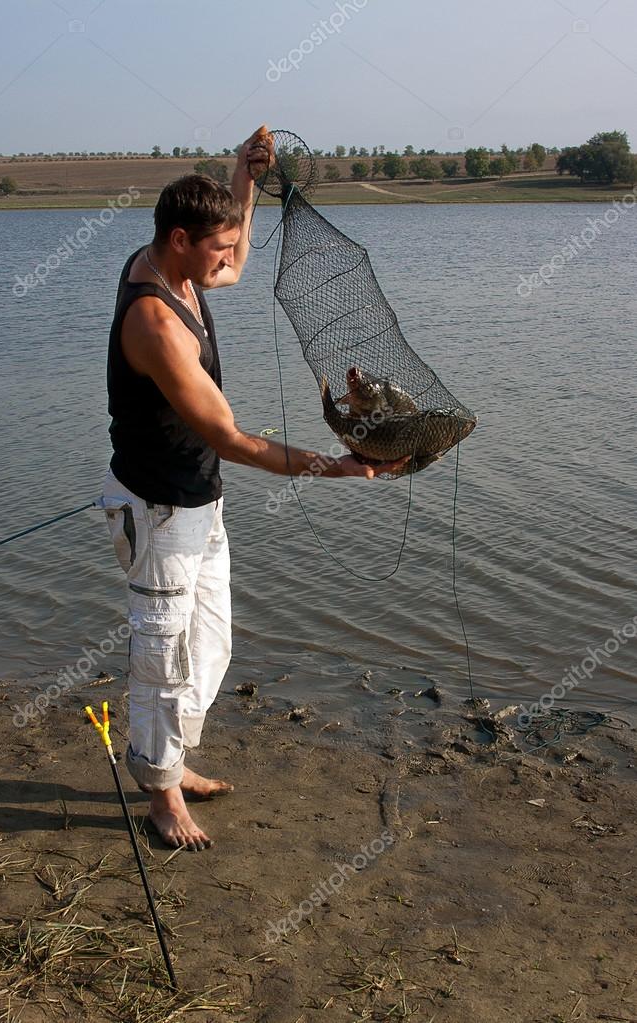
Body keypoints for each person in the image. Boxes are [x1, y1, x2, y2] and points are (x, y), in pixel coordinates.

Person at [101, 125, 410, 852]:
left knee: (209, 648)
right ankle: (159, 790)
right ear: (179, 239)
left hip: (198, 503)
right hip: (157, 508)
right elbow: (233, 440)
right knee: (162, 654)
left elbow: (234, 258)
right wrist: (336, 467)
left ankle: (170, 759)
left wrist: (243, 178)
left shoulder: (175, 265)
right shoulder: (153, 322)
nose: (228, 261)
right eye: (215, 247)